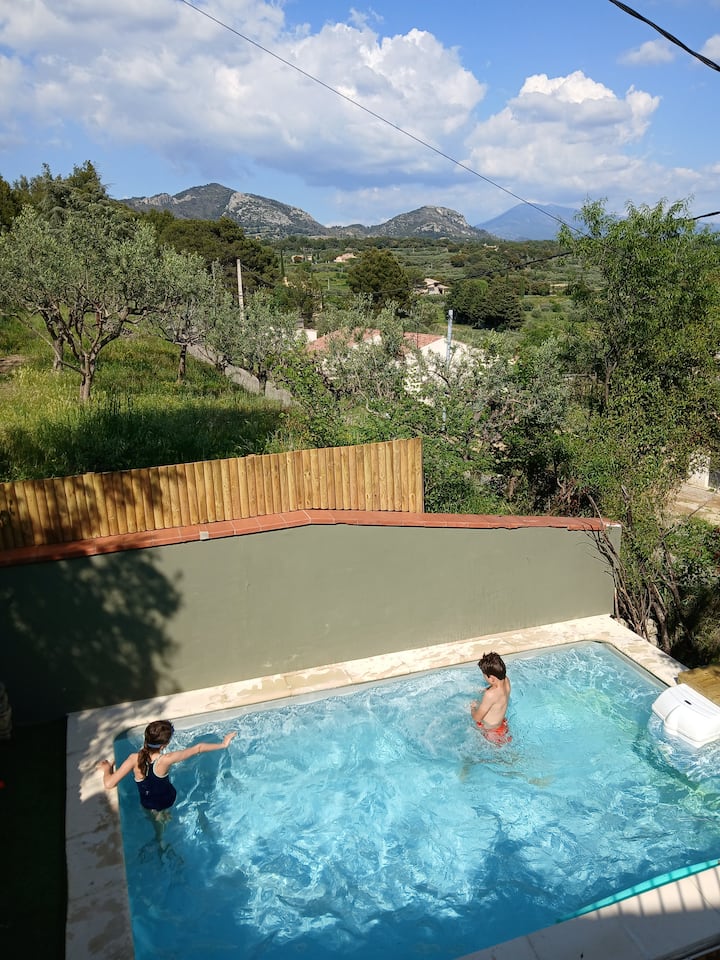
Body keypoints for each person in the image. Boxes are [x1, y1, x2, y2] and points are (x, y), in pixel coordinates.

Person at [97, 719, 237, 812]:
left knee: (156, 822)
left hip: (147, 803)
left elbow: (109, 784)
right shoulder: (166, 759)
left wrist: (107, 769)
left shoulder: (134, 759)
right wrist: (223, 744)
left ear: (145, 737)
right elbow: (198, 748)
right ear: (164, 745)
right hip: (168, 799)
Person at [471, 651, 512, 745]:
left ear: (492, 679)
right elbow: (497, 689)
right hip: (502, 726)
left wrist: (472, 708)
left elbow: (477, 718)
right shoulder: (506, 680)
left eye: (484, 676)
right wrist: (487, 689)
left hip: (491, 733)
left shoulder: (490, 695)